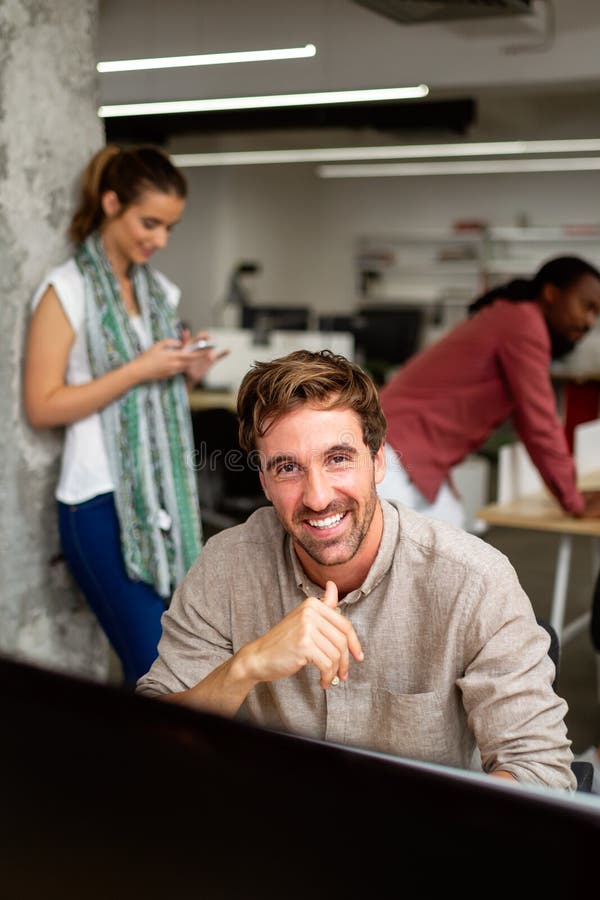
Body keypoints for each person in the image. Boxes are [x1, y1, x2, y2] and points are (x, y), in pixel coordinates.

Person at [137, 349, 576, 790]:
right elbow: (150, 745)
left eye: (338, 458)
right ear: (264, 482)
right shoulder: (225, 567)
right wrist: (245, 667)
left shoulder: (474, 582)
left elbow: (541, 772)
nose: (318, 496)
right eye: (287, 468)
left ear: (378, 460)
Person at [24, 144, 227, 686]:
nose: (159, 240)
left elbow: (156, 389)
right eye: (150, 223)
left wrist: (188, 370)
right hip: (95, 504)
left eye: (169, 229)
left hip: (164, 502)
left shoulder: (159, 292)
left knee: (189, 665)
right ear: (111, 202)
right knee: (157, 672)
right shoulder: (65, 291)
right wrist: (139, 369)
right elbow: (42, 405)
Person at [376, 256, 600, 528]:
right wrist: (574, 500)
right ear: (552, 294)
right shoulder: (524, 325)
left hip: (403, 451)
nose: (589, 322)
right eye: (586, 306)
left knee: (454, 542)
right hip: (393, 454)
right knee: (439, 554)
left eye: (596, 314)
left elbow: (531, 423)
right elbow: (539, 423)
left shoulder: (513, 317)